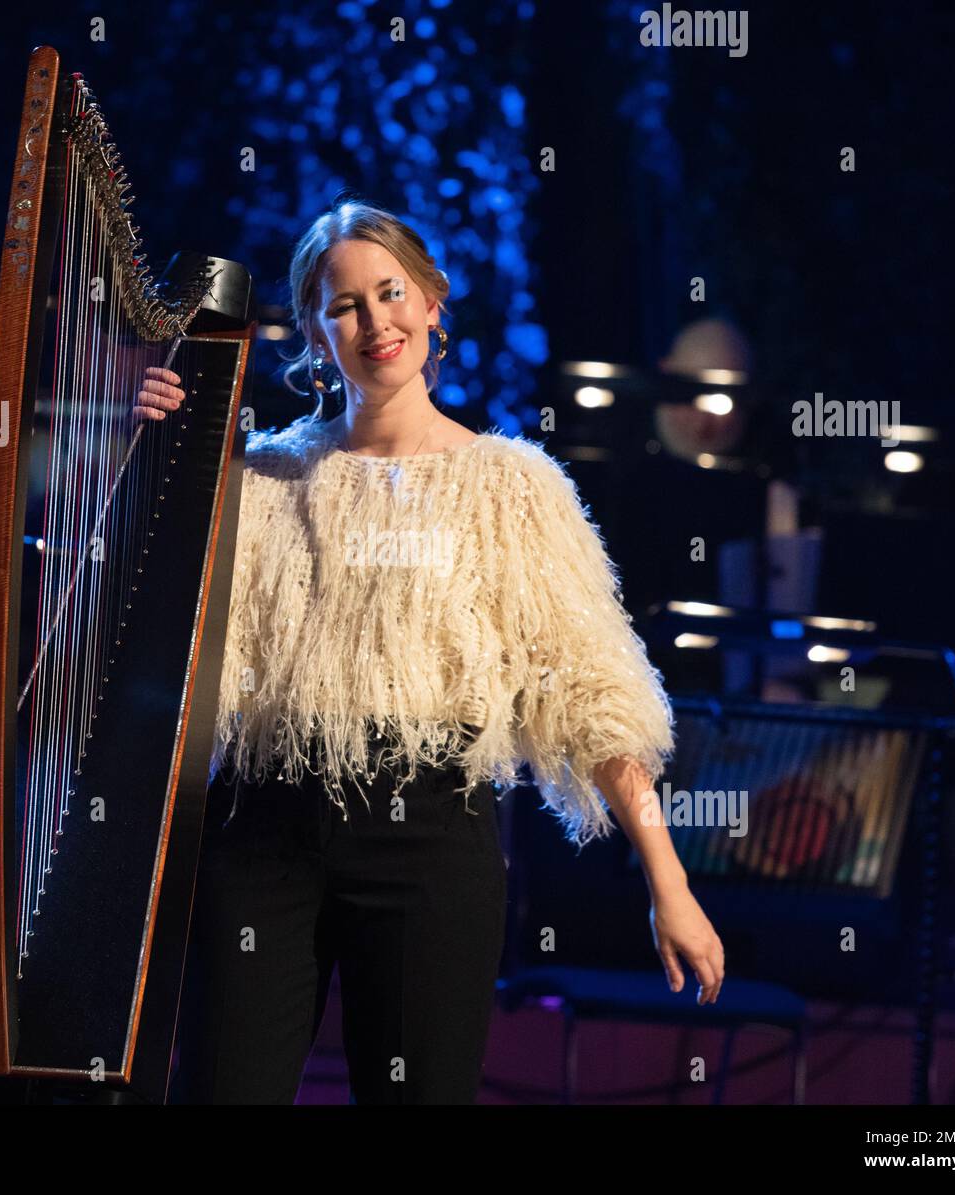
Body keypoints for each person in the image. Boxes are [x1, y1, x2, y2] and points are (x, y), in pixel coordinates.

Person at [134, 199, 724, 1105]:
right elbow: (149, 638)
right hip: (261, 835)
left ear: (434, 302)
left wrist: (668, 880)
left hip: (429, 837)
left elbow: (595, 692)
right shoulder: (253, 478)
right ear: (312, 331)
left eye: (391, 293)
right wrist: (158, 458)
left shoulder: (510, 487)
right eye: (344, 306)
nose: (375, 323)